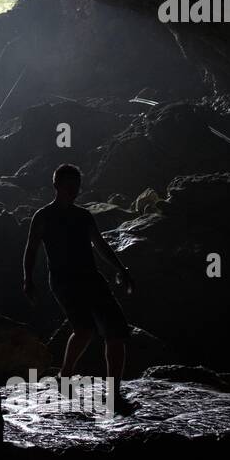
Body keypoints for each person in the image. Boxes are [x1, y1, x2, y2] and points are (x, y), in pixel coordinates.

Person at [21, 163, 136, 414]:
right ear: (56, 186)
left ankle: (114, 392)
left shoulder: (84, 216)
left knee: (116, 332)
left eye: (76, 186)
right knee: (84, 330)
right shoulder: (43, 216)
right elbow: (31, 249)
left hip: (91, 277)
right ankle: (66, 374)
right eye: (68, 185)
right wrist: (28, 280)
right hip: (63, 280)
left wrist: (121, 269)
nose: (73, 190)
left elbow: (100, 245)